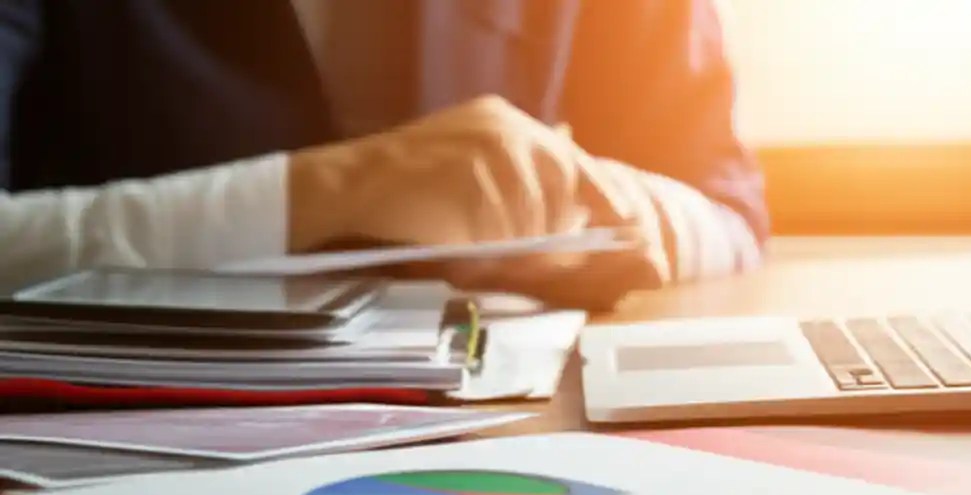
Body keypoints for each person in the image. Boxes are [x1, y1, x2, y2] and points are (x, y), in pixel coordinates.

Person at [0, 1, 767, 308]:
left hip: (505, 446)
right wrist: (336, 191)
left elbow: (727, 213)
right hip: (117, 468)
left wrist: (594, 211)